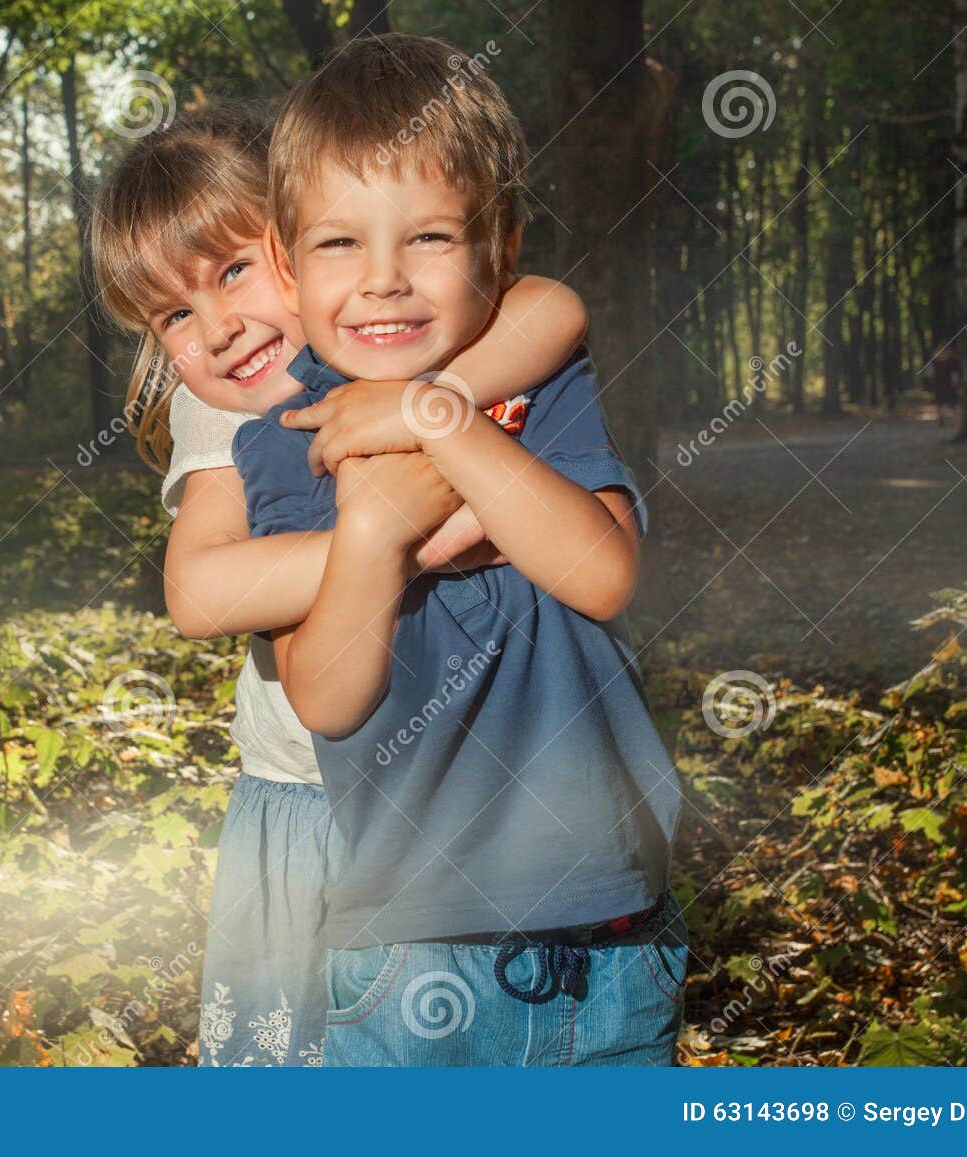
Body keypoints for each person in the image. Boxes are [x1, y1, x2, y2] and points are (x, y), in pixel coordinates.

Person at [89, 106, 592, 1065]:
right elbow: (200, 592)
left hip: (471, 789)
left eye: (234, 270)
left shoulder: (396, 330)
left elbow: (553, 309)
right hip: (311, 805)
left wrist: (420, 405)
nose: (219, 329)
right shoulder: (228, 413)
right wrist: (399, 540)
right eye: (173, 316)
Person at [232, 33, 687, 1066]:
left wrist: (436, 417)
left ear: (502, 247)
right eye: (339, 244)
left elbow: (604, 573)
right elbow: (328, 697)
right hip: (408, 949)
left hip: (614, 937)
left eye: (430, 237)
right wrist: (373, 529)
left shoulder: (535, 385)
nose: (383, 281)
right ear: (286, 267)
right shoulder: (289, 440)